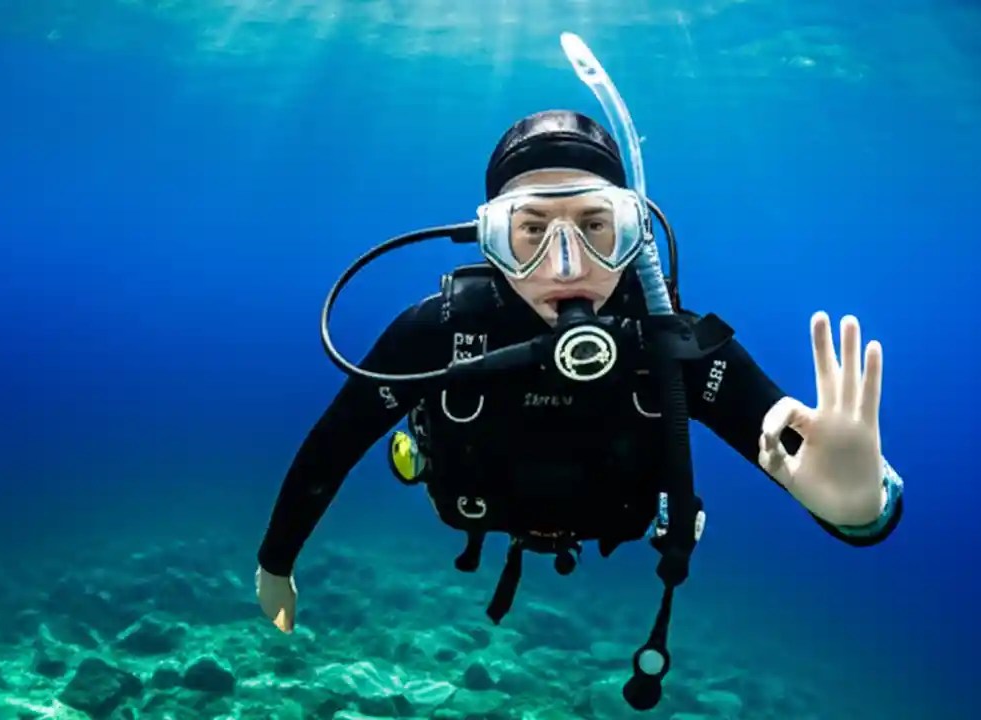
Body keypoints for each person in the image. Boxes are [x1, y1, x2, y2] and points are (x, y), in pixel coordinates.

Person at [255, 37, 904, 712]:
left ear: (636, 234)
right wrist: (276, 562)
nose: (566, 266)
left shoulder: (675, 346)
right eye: (529, 231)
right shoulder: (438, 332)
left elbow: (805, 450)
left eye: (599, 226)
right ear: (489, 240)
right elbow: (331, 445)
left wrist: (862, 509)